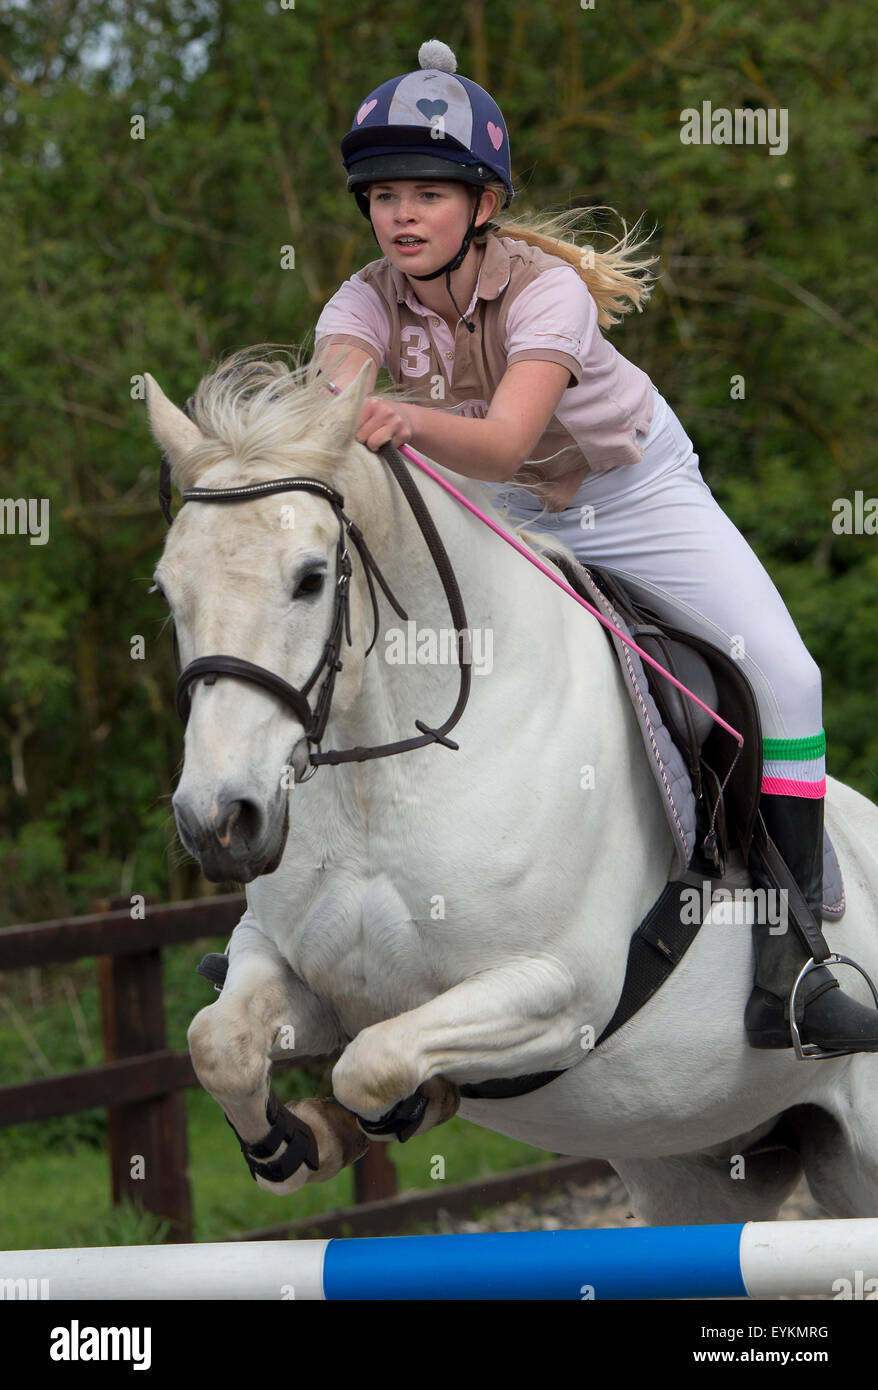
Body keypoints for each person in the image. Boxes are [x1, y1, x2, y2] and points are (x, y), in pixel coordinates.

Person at [313, 39, 878, 1055]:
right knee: (355, 653)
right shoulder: (357, 302)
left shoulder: (546, 293)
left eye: (426, 193)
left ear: (481, 205)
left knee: (785, 678)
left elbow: (502, 441)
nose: (399, 213)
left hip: (630, 494)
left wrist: (389, 410)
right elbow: (334, 397)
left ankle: (794, 962)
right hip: (499, 505)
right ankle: (308, 918)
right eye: (382, 192)